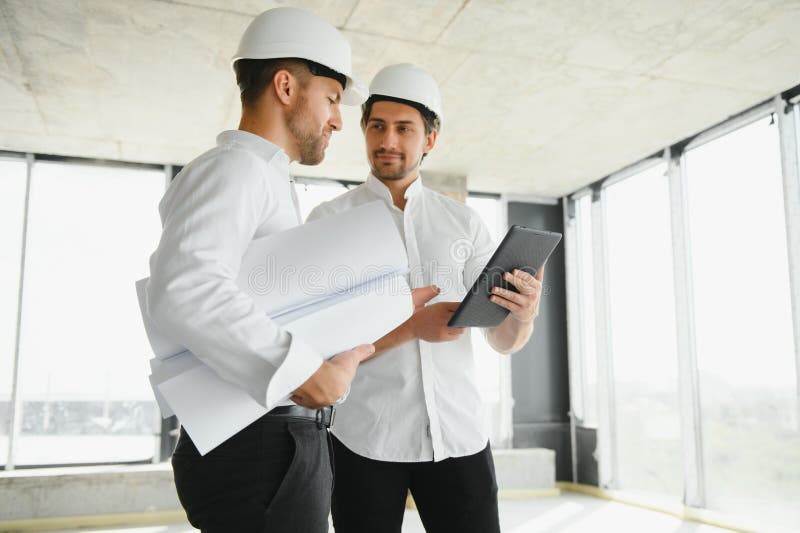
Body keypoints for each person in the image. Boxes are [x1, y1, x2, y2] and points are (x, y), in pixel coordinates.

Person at [145, 8, 373, 533]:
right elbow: (186, 286)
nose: (338, 119)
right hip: (259, 448)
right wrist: (305, 373)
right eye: (333, 99)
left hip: (272, 441)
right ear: (287, 86)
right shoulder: (237, 168)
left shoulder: (260, 177)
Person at [307, 63, 546, 533]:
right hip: (363, 440)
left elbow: (502, 340)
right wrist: (413, 327)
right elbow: (317, 345)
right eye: (377, 126)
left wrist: (525, 314)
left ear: (429, 139)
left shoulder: (466, 224)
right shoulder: (327, 222)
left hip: (459, 438)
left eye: (403, 129)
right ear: (363, 130)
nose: (388, 141)